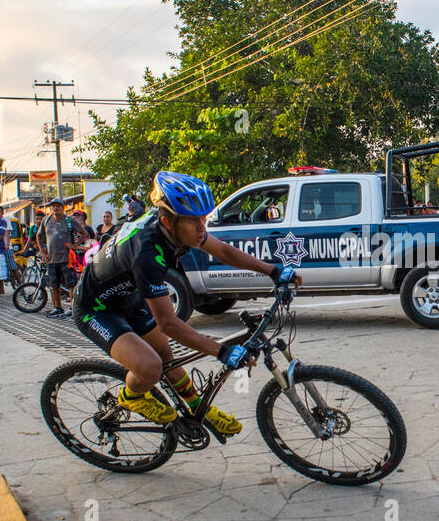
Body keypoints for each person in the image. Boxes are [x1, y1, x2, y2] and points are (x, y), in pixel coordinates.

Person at [74, 171, 301, 436]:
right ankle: (131, 396)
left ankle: (200, 411)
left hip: (130, 298)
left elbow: (224, 251)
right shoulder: (146, 252)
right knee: (150, 366)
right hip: (96, 310)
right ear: (168, 221)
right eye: (194, 221)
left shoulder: (179, 229)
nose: (202, 228)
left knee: (167, 358)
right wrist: (221, 351)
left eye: (203, 219)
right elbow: (169, 324)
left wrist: (273, 271)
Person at [37, 198, 90, 318]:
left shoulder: (70, 220)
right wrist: (42, 252)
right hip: (51, 258)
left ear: (63, 207)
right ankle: (57, 307)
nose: (56, 208)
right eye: (53, 206)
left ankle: (72, 308)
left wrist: (75, 246)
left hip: (67, 258)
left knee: (71, 284)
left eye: (58, 206)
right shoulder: (46, 220)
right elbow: (39, 236)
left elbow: (85, 234)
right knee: (54, 284)